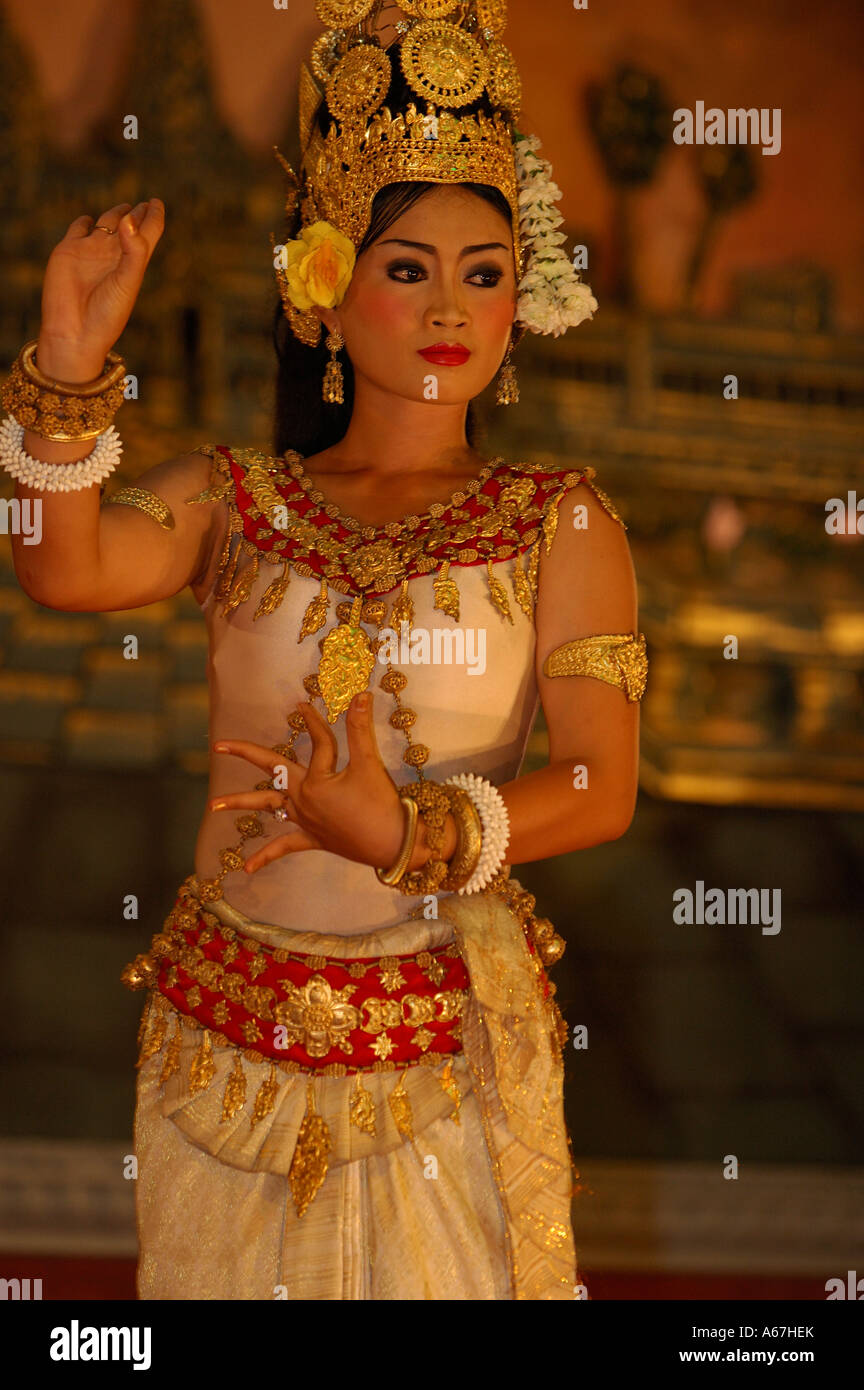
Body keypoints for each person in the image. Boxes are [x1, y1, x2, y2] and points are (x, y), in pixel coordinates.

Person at [4, 1, 647, 1300]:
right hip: (219, 1045)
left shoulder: (560, 518)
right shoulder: (233, 500)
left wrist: (403, 833)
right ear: (326, 282)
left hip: (441, 1058)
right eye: (408, 268)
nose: (451, 307)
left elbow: (601, 785)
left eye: (484, 269)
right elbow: (56, 563)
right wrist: (69, 365)